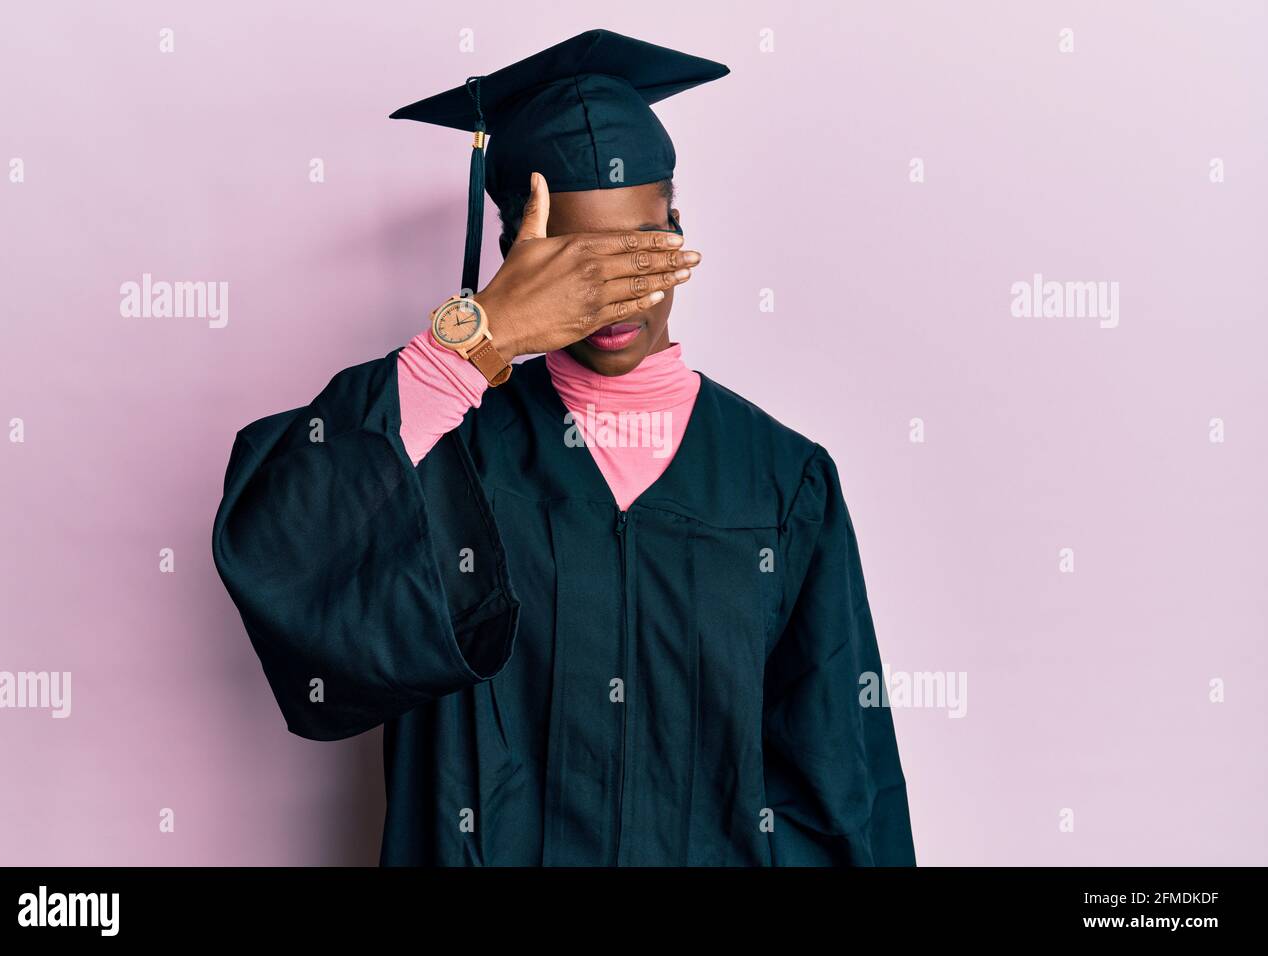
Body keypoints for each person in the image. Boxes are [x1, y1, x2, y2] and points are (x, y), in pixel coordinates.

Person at [212, 29, 915, 866]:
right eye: (571, 258)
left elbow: (842, 773)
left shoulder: (783, 481)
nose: (611, 292)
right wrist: (481, 337)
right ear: (515, 259)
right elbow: (277, 546)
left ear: (680, 231)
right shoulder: (443, 450)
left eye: (637, 249)